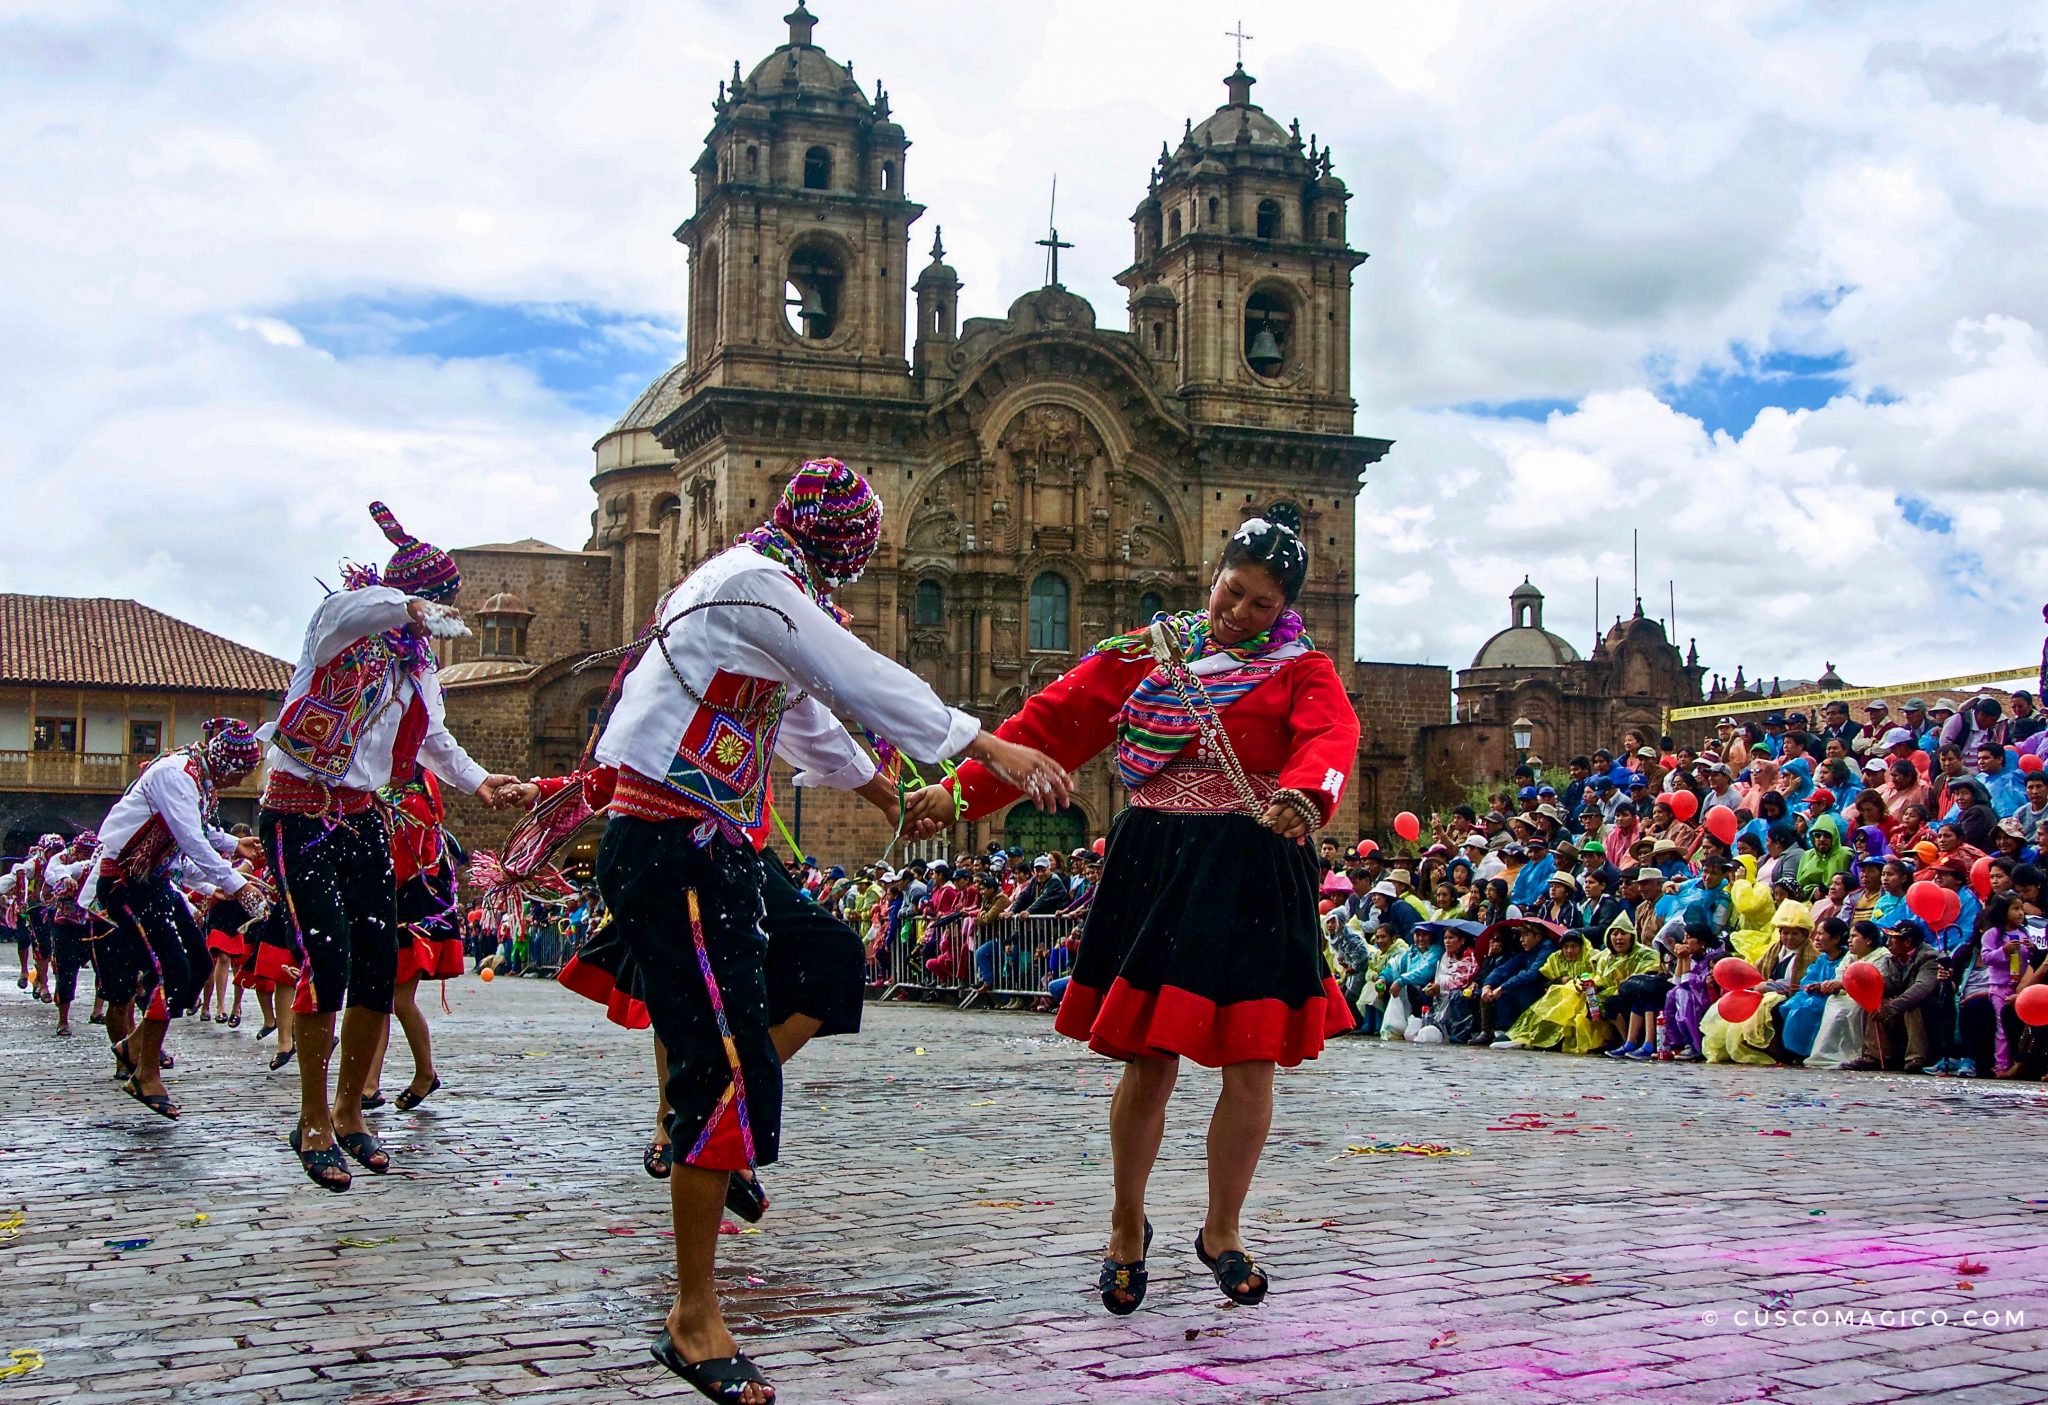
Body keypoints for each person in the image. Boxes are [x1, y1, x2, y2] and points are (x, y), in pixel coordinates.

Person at [576, 459, 1070, 1401]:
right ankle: (692, 1313)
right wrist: (985, 741)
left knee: (832, 959)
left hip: (718, 841)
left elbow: (805, 718)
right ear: (847, 547)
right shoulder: (755, 585)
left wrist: (892, 794)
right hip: (669, 841)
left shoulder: (768, 585)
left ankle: (714, 1117)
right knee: (719, 1075)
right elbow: (857, 675)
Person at [908, 515, 1358, 1317]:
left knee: (1250, 1062)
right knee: (1149, 1058)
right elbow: (1049, 726)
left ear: (1284, 607)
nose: (1239, 612)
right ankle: (1125, 1223)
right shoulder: (1147, 653)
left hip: (1254, 862)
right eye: (1232, 590)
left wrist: (1307, 790)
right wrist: (958, 792)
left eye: (1261, 604)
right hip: (1159, 865)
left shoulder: (1303, 669)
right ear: (1214, 572)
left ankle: (1222, 1230)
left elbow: (1331, 732)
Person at [257, 503, 523, 1190]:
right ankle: (312, 1117)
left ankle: (350, 1112)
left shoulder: (416, 664)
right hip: (298, 812)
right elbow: (375, 608)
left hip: (362, 814)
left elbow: (433, 737)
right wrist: (409, 603)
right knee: (327, 958)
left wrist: (478, 779)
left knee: (378, 964)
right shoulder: (340, 622)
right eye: (431, 603)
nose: (437, 615)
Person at [82, 719, 269, 1116]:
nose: (241, 783)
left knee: (197, 966)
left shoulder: (198, 780)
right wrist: (239, 886)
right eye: (242, 774)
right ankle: (144, 1071)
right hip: (126, 883)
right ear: (228, 768)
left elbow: (200, 831)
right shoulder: (176, 776)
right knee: (171, 974)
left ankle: (135, 1047)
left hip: (156, 882)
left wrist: (235, 844)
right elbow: (191, 840)